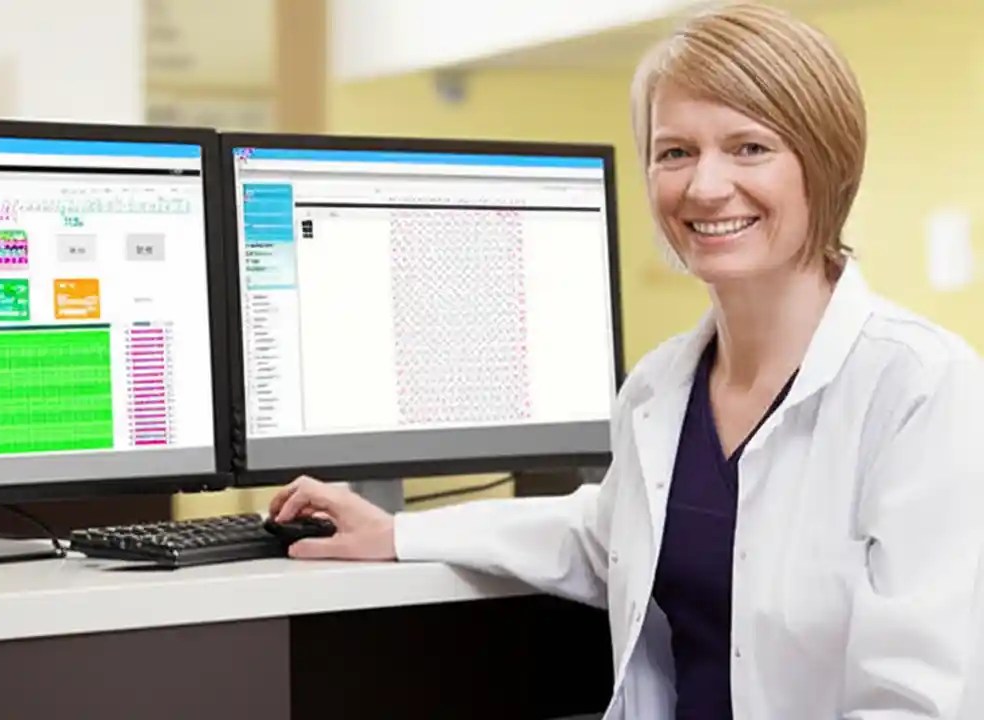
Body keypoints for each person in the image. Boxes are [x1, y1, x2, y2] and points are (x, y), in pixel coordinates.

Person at [268, 2, 984, 718]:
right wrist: (397, 531)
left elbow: (918, 702)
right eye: (675, 152)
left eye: (749, 148)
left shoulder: (920, 388)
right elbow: (603, 532)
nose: (704, 187)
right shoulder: (661, 385)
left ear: (825, 165)